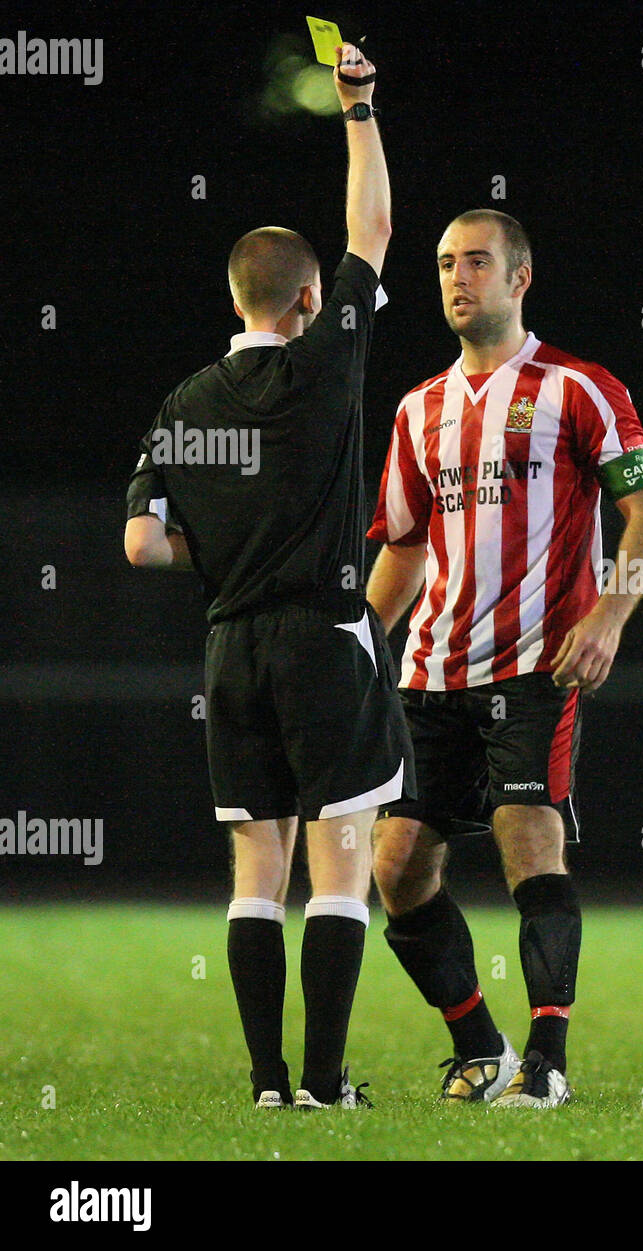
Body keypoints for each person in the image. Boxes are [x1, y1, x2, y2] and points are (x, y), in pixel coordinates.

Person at [124, 45, 411, 1109]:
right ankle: (328, 1081)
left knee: (258, 875)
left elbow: (142, 547)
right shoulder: (321, 364)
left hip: (229, 648)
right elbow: (371, 232)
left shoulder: (186, 403)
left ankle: (265, 1084)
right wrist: (359, 108)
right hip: (320, 641)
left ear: (237, 298)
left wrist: (225, 545)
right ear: (302, 303)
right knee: (339, 868)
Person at [365, 208, 643, 1108]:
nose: (458, 278)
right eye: (445, 264)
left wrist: (611, 615)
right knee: (395, 868)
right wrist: (353, 646)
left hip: (536, 665)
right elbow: (405, 547)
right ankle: (480, 1045)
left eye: (477, 262)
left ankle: (547, 1061)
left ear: (520, 277)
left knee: (528, 843)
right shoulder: (417, 409)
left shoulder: (581, 388)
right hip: (428, 672)